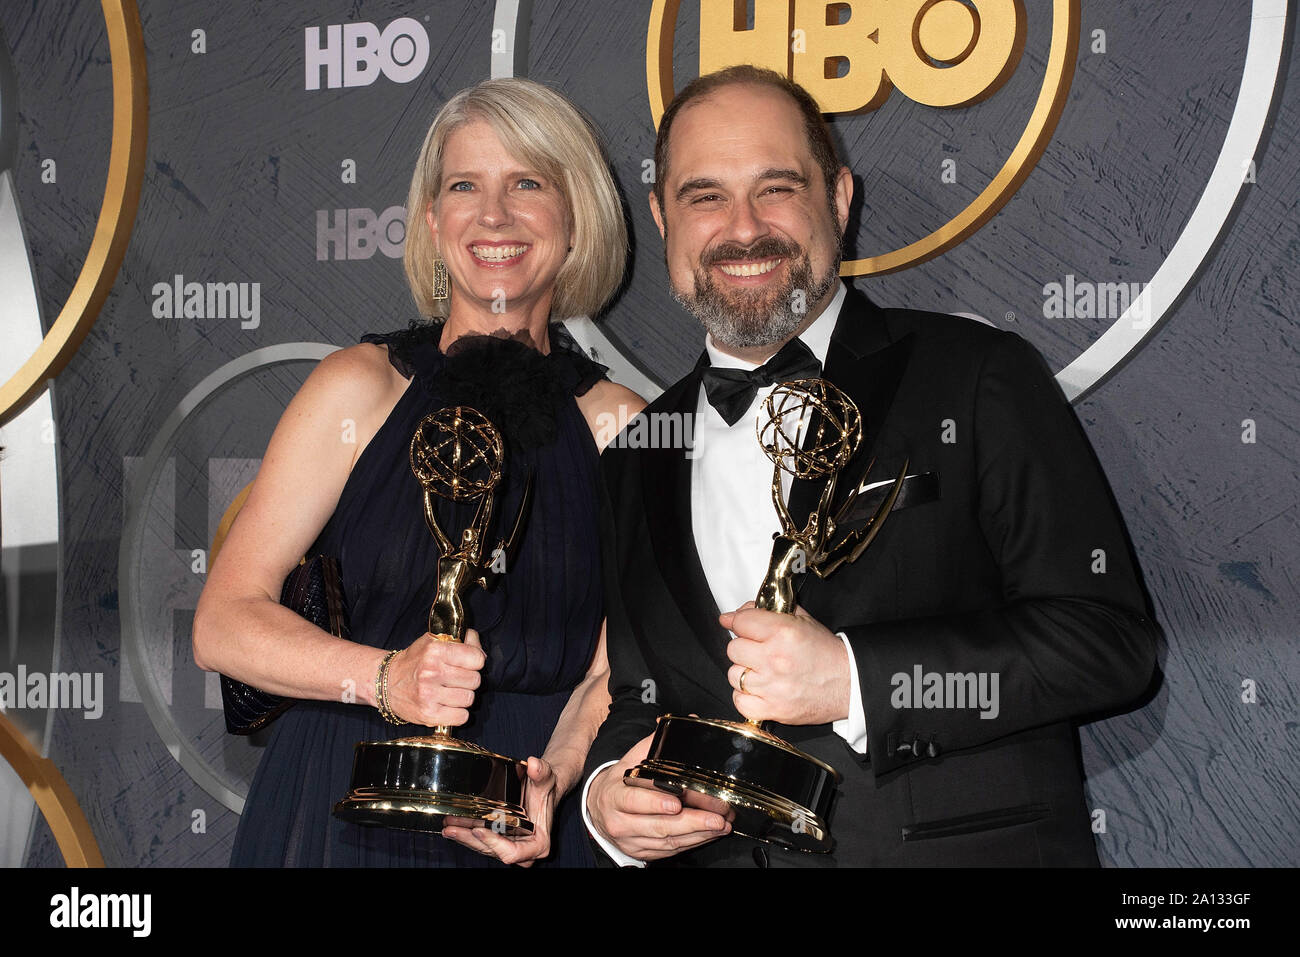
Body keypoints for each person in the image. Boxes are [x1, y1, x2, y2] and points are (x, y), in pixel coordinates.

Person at [582, 65, 1160, 867]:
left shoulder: (976, 374)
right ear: (662, 218)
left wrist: (857, 680)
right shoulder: (634, 455)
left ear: (840, 200)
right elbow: (636, 696)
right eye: (704, 195)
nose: (743, 227)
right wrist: (610, 793)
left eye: (777, 187)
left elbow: (1107, 643)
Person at [193, 77, 643, 867]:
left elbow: (618, 666)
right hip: (345, 796)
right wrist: (384, 677)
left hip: (534, 810)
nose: (493, 214)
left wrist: (560, 774)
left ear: (576, 220)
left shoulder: (622, 426)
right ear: (433, 221)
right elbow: (223, 622)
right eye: (464, 185)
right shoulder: (358, 388)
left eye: (527, 184)